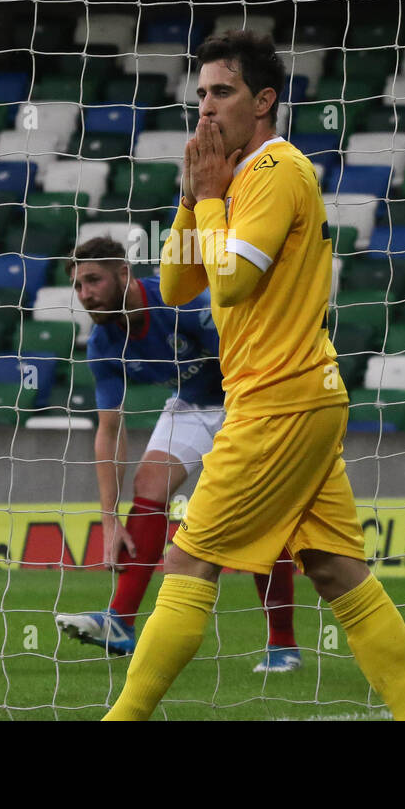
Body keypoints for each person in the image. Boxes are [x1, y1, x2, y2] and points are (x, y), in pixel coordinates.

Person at [103, 30, 405, 721]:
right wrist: (194, 199)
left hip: (277, 402)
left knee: (189, 562)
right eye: (199, 95)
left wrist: (216, 197)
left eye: (220, 92)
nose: (204, 108)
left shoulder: (278, 172)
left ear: (263, 101)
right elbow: (173, 284)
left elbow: (227, 284)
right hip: (299, 397)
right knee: (338, 570)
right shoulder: (232, 179)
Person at [54, 236, 301, 673]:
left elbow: (247, 352)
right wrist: (109, 522)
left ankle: (283, 645)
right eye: (77, 285)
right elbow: (109, 431)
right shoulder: (103, 343)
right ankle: (120, 622)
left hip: (250, 394)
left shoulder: (181, 303)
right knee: (148, 484)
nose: (85, 293)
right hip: (192, 403)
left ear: (125, 275)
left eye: (93, 280)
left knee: (265, 518)